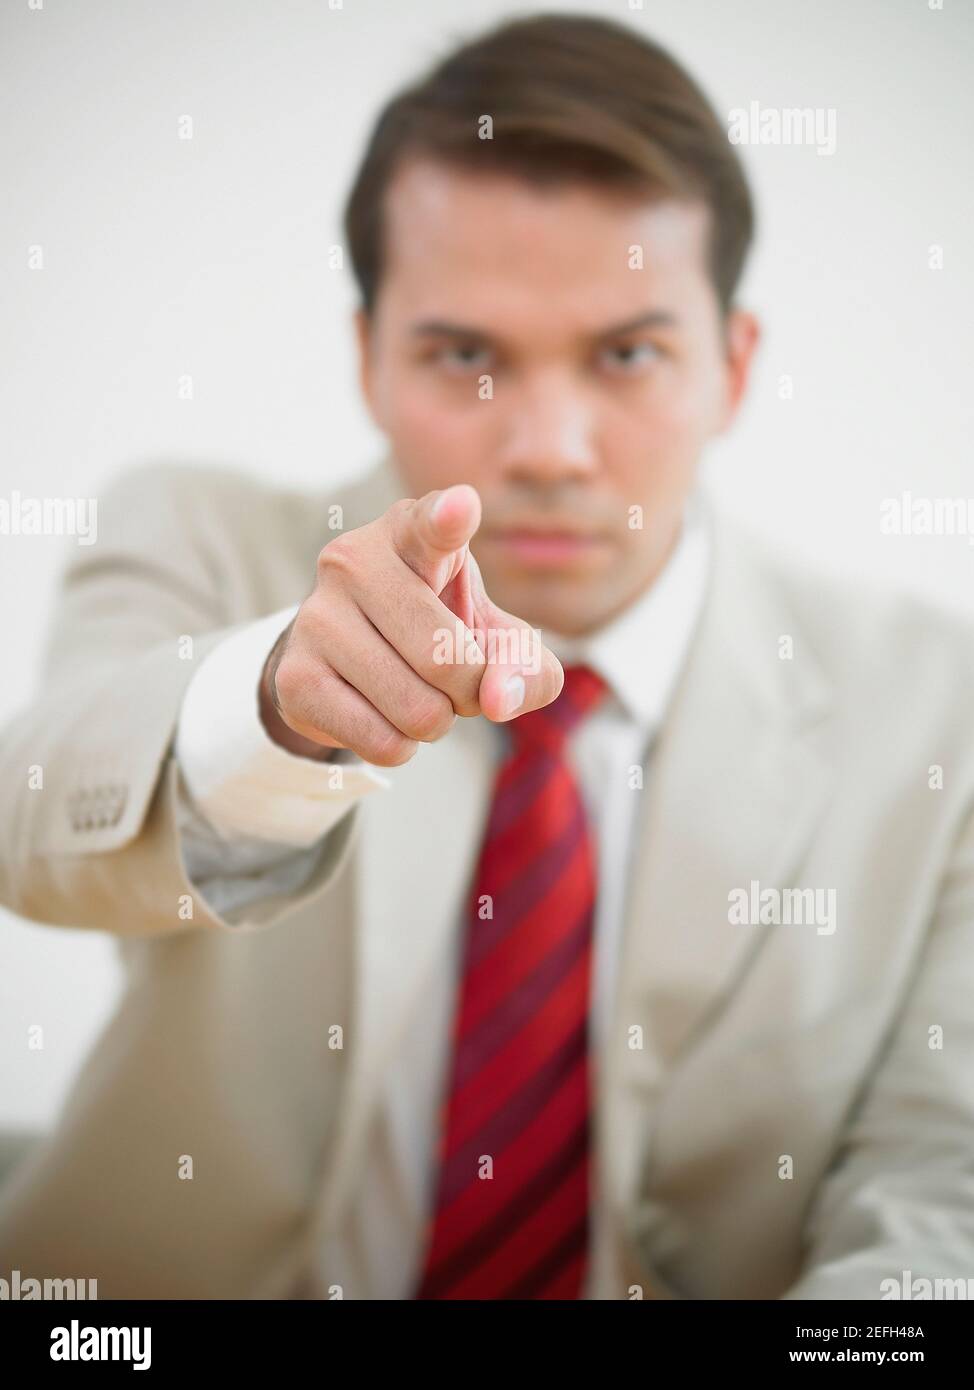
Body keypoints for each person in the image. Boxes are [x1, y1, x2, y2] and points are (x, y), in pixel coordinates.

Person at [2, 12, 973, 1301]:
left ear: (735, 369)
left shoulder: (936, 711)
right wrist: (276, 711)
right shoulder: (201, 538)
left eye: (628, 353)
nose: (549, 448)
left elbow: (934, 1196)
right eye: (466, 355)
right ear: (364, 357)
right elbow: (36, 819)